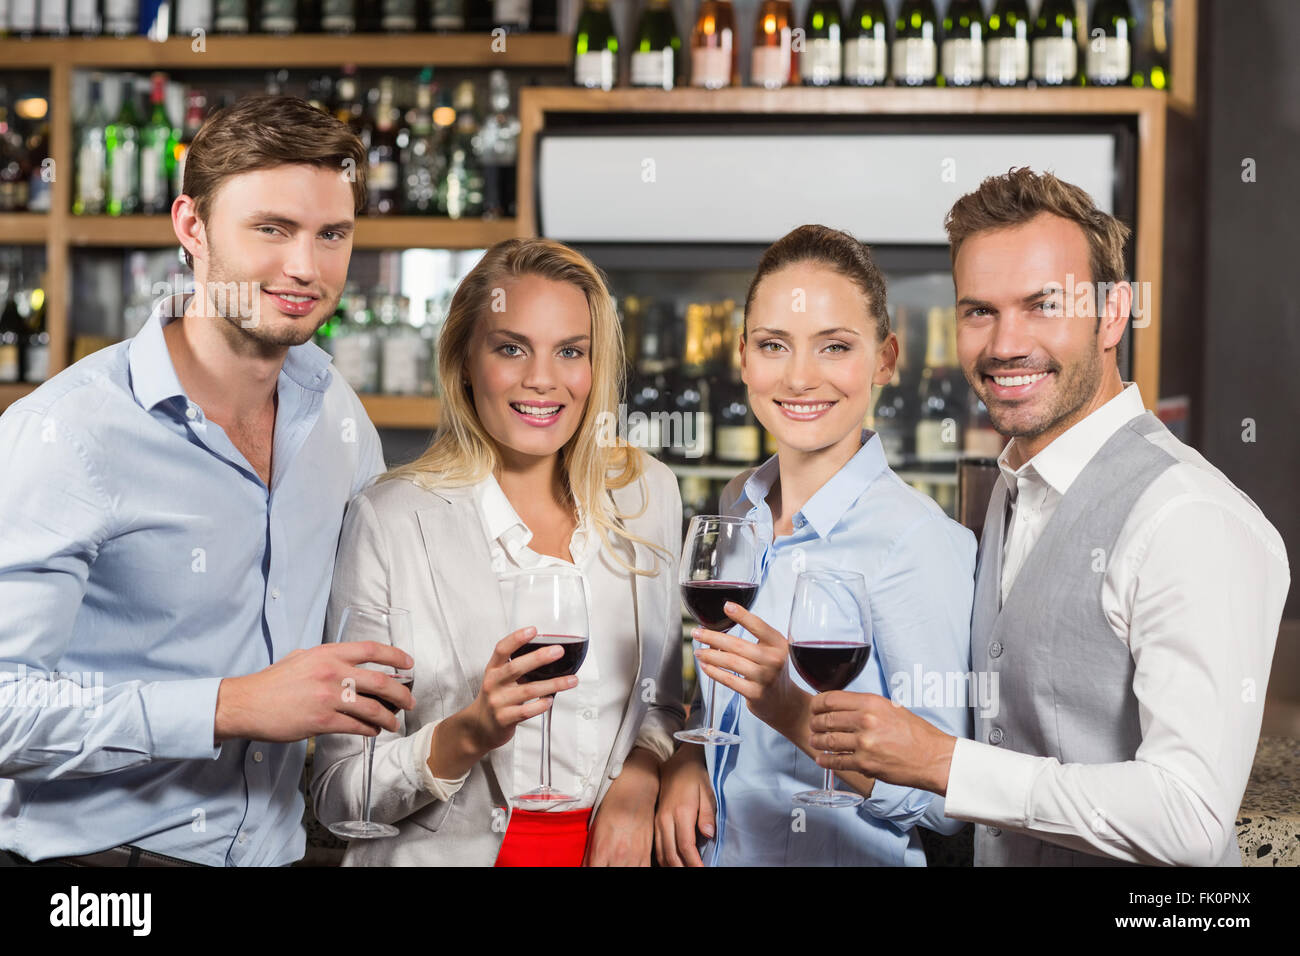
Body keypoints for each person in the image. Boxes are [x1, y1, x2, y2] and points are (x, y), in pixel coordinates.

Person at [808, 168, 1290, 866]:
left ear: (1114, 313)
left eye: (1043, 304)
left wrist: (947, 762)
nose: (1005, 344)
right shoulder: (1012, 486)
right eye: (980, 311)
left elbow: (1190, 818)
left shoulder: (1190, 517)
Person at [0, 95, 413, 868]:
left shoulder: (337, 418)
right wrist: (229, 706)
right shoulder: (69, 433)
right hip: (97, 881)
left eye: (332, 234)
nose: (306, 267)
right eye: (271, 229)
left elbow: (371, 624)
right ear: (191, 227)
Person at [310, 238, 684, 866]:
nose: (542, 379)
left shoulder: (646, 494)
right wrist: (466, 734)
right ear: (463, 360)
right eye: (511, 348)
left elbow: (661, 704)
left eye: (571, 352)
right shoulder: (391, 518)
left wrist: (641, 777)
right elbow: (338, 795)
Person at [654, 225, 976, 867]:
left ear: (886, 358)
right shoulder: (737, 505)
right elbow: (723, 696)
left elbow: (948, 802)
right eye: (775, 345)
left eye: (834, 346)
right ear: (743, 356)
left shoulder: (917, 543)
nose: (800, 378)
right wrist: (690, 754)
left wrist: (791, 710)